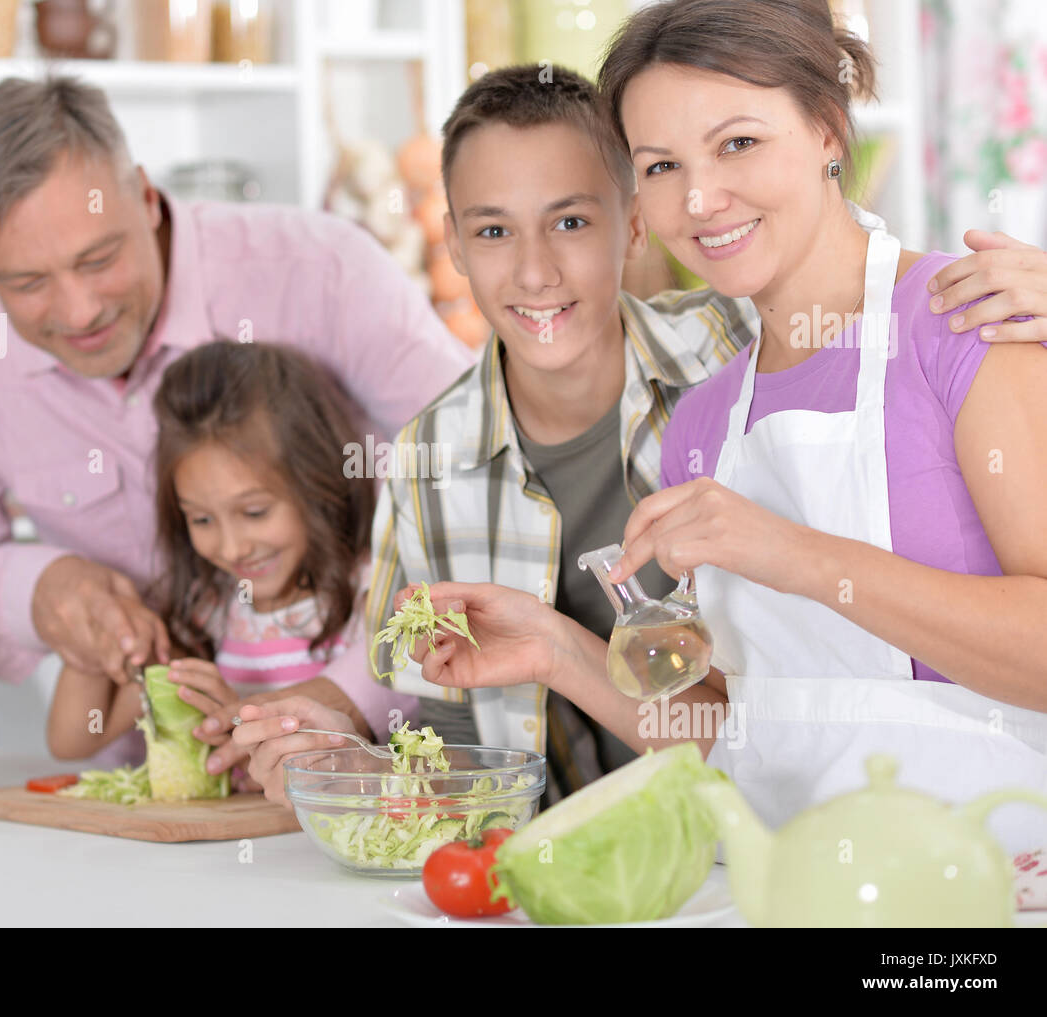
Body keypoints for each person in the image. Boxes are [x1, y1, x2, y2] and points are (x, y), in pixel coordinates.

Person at [230, 58, 1047, 807]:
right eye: (492, 231)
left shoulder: (765, 330)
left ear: (631, 227)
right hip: (716, 855)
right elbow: (736, 722)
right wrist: (548, 649)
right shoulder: (448, 455)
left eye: (572, 223)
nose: (535, 271)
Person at [0, 76, 471, 768]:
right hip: (145, 797)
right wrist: (38, 590)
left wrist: (338, 702)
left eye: (98, 259)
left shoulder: (320, 271)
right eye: (26, 284)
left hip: (369, 768)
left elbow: (478, 483)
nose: (77, 312)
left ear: (146, 196)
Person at [46, 341, 416, 772]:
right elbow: (72, 741)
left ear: (317, 485)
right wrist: (94, 644)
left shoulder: (371, 599)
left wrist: (240, 718)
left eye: (254, 512)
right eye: (202, 520)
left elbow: (387, 761)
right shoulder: (209, 611)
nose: (232, 547)